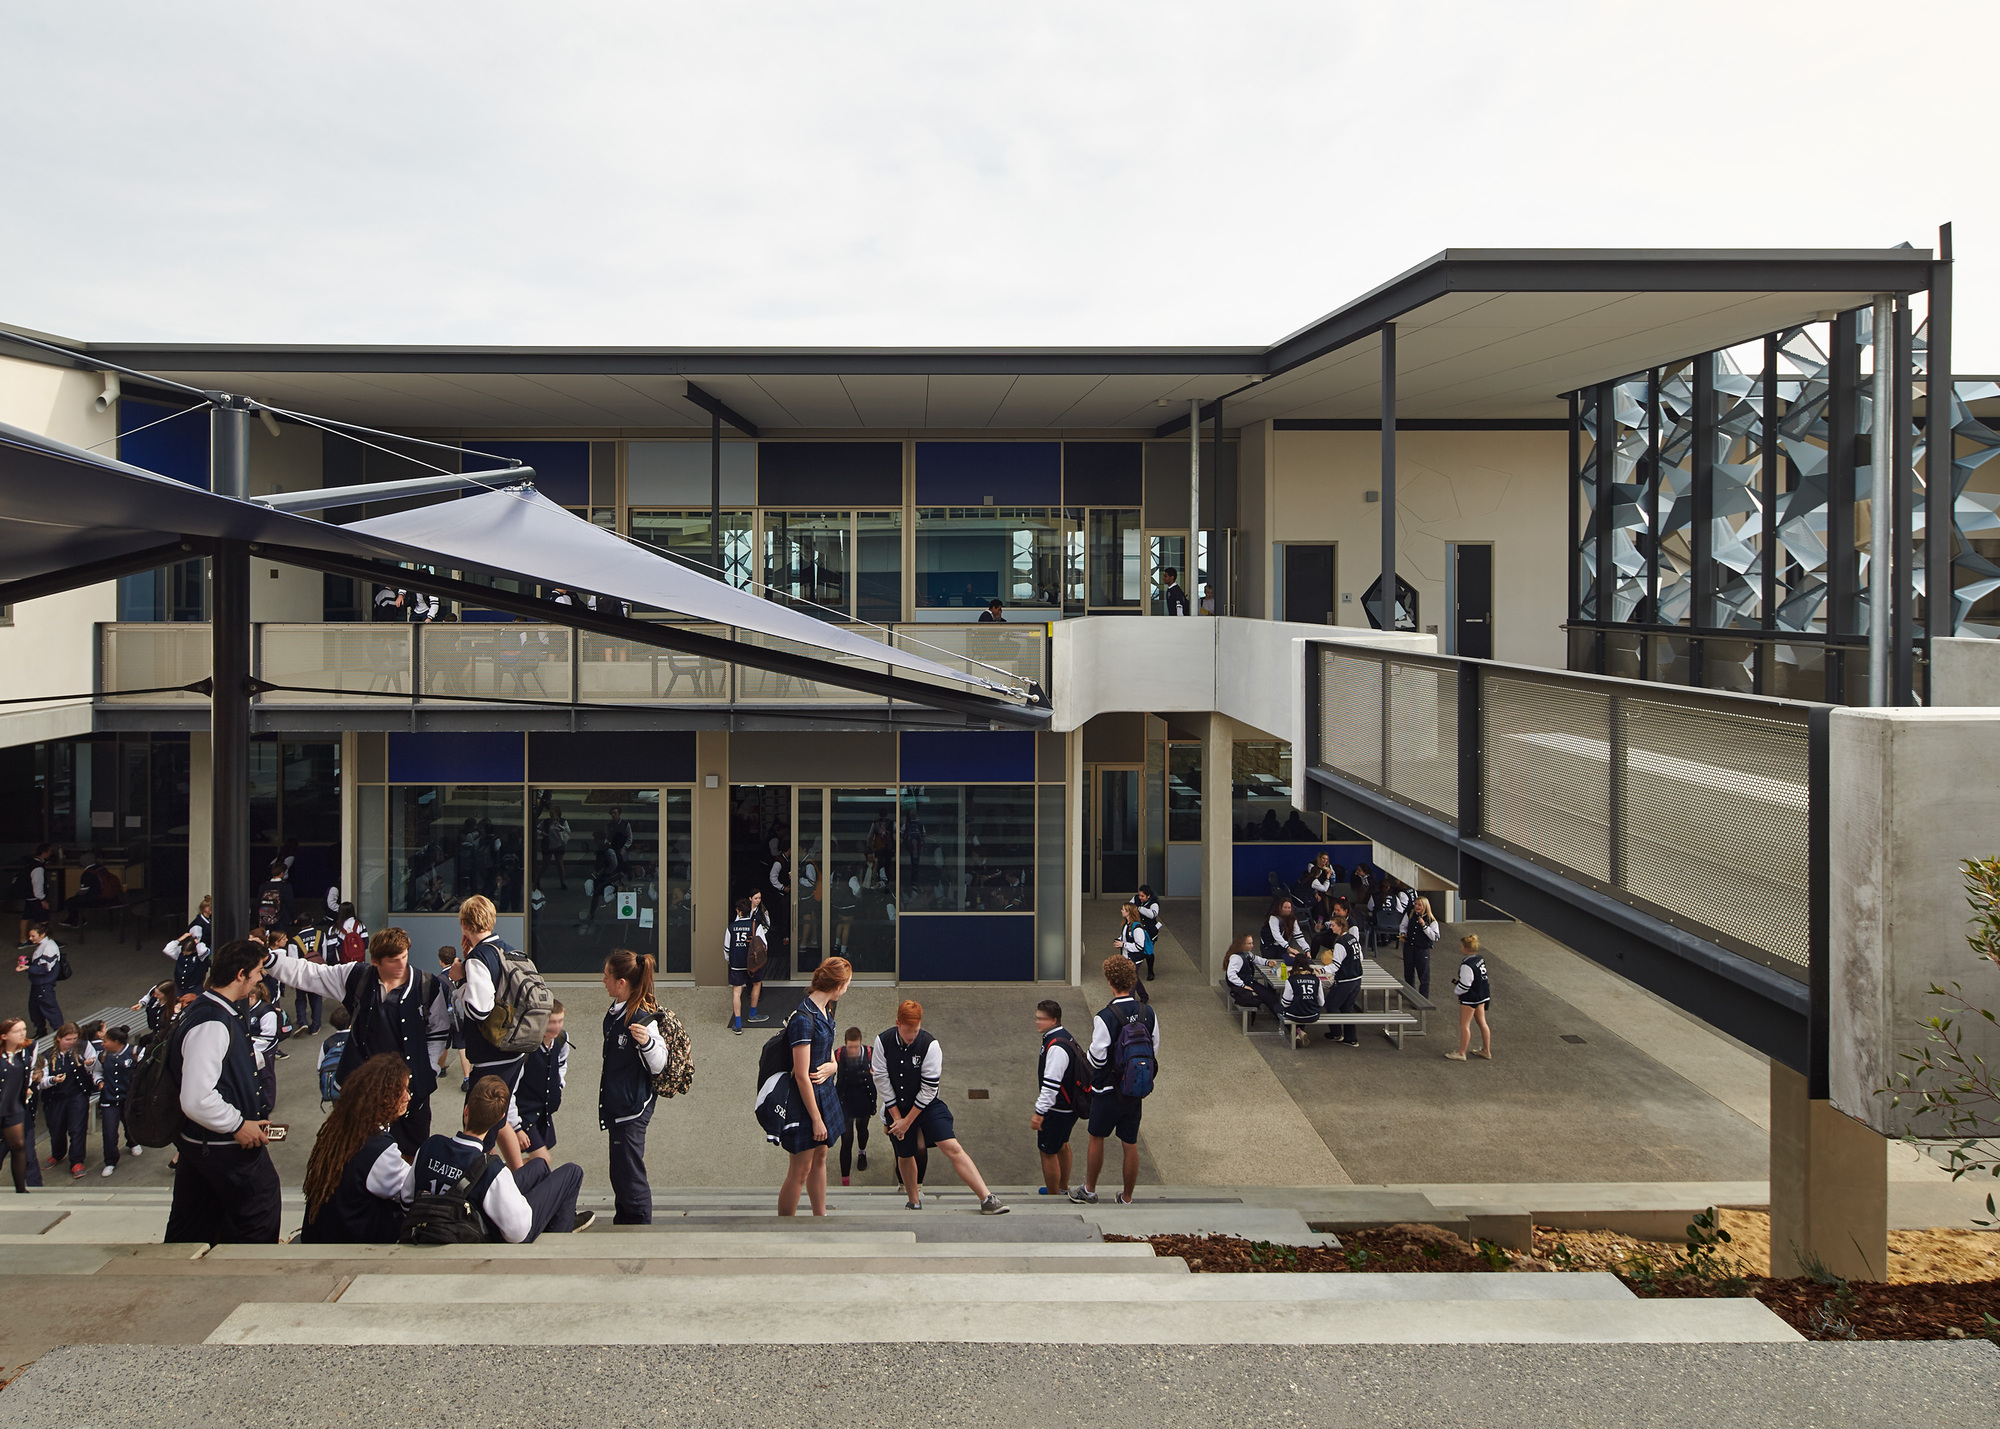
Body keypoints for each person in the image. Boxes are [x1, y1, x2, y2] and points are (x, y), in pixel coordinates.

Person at [265, 926, 451, 1155]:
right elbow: (309, 974)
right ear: (375, 961)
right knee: (357, 1153)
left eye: (404, 957)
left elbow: (438, 1032)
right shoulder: (356, 976)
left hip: (411, 1093)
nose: (402, 965)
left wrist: (428, 1070)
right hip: (363, 1089)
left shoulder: (428, 985)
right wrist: (269, 961)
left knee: (411, 1153)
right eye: (393, 960)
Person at [163, 939, 281, 1246]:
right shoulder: (213, 1022)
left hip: (202, 1145)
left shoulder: (209, 1011)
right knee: (260, 1209)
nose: (260, 978)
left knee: (193, 1221)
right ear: (240, 974)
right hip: (222, 1147)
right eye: (257, 971)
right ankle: (246, 1278)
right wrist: (238, 1126)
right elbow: (197, 1098)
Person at [411, 1074, 589, 1242]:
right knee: (573, 1172)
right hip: (478, 1232)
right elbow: (518, 1233)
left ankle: (557, 1218)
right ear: (499, 1120)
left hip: (439, 1218)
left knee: (539, 1165)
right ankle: (559, 1243)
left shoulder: (430, 1146)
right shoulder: (494, 1171)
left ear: (466, 1110)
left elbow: (406, 1200)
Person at [870, 1000, 1007, 1214]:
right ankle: (913, 1201)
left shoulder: (930, 1045)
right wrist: (897, 1118)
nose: (912, 1036)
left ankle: (987, 1198)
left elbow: (928, 1089)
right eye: (907, 1031)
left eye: (916, 1030)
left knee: (951, 1146)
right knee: (905, 1154)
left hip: (926, 1106)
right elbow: (881, 1079)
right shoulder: (882, 1041)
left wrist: (907, 1121)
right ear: (897, 1023)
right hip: (897, 1106)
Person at [299, 1052, 415, 1244]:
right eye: (401, 1091)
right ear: (382, 1097)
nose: (408, 1097)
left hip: (322, 1235)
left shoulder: (340, 1130)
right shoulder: (379, 1150)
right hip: (354, 1247)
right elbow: (411, 1191)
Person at [1071, 956, 1158, 1207]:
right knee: (1129, 1142)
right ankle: (1127, 1197)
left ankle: (1089, 1190)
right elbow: (1154, 1049)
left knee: (1096, 1137)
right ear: (1132, 981)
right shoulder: (1147, 1012)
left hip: (1107, 1090)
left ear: (1109, 982)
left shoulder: (1105, 1016)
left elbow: (1097, 1057)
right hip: (1134, 1089)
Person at [599, 948, 670, 1225]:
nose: (603, 981)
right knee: (620, 1171)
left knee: (629, 1174)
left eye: (607, 976)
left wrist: (647, 1043)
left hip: (631, 1109)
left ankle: (639, 1227)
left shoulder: (641, 1018)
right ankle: (624, 1220)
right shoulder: (619, 1009)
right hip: (621, 1105)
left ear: (622, 983)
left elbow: (659, 1064)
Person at [778, 956, 851, 1218]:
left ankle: (820, 1217)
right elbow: (801, 1075)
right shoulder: (804, 1018)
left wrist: (834, 1065)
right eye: (847, 985)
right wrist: (817, 1119)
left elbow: (826, 1047)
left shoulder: (825, 1009)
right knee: (799, 1171)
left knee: (820, 1158)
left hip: (823, 1092)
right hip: (805, 1102)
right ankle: (784, 1225)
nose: (847, 989)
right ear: (837, 986)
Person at [446, 895, 532, 1113]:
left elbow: (479, 1010)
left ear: (464, 924)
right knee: (500, 1118)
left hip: (490, 1054)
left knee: (477, 1122)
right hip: (515, 1048)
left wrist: (460, 980)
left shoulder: (479, 957)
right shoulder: (509, 950)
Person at [1031, 999, 1084, 1197]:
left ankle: (1054, 1196)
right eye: (1037, 1018)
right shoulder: (1065, 1037)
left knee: (1047, 1152)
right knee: (1063, 1144)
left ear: (1054, 1020)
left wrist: (1039, 1112)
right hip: (1069, 1107)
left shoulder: (1056, 1047)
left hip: (1057, 1109)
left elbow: (1051, 1084)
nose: (1037, 1022)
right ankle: (1062, 1187)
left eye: (1042, 1019)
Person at [36, 1023, 91, 1179]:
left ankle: (77, 1161)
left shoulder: (83, 1048)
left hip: (77, 1095)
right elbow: (40, 1081)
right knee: (56, 1129)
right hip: (55, 1098)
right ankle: (58, 1154)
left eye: (75, 1038)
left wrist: (90, 1064)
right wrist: (53, 1080)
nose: (72, 1042)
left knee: (77, 1129)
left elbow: (95, 1066)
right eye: (68, 1039)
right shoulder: (46, 1056)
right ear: (58, 1039)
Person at [515, 1001, 567, 1154]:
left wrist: (559, 1084)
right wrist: (516, 1127)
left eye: (560, 1021)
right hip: (523, 1115)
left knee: (541, 1161)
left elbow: (562, 1062)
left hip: (543, 1112)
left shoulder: (561, 1039)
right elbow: (511, 1087)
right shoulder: (526, 1048)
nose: (556, 1027)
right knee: (541, 1160)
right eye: (551, 1022)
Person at [834, 1027, 875, 1186]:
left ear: (861, 1043)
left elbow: (883, 1070)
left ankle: (862, 1153)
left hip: (864, 1098)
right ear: (845, 1045)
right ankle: (845, 1181)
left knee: (862, 1128)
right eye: (850, 1047)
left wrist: (876, 1073)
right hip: (845, 1099)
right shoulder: (838, 1054)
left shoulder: (870, 1053)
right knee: (846, 1139)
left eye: (856, 1047)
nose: (853, 1050)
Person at [96, 1025, 137, 1177]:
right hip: (109, 1098)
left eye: (106, 1041)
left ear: (116, 1042)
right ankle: (110, 1161)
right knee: (109, 1132)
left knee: (130, 1122)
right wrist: (100, 1082)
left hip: (128, 1098)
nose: (102, 1044)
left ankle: (133, 1141)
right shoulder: (103, 1055)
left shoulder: (134, 1052)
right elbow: (96, 1071)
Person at [1447, 934, 1493, 1062]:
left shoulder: (1466, 965)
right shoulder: (1479, 959)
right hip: (1482, 994)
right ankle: (1486, 1050)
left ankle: (1462, 1053)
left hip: (1471, 997)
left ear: (1466, 948)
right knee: (1482, 1023)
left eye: (1461, 946)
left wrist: (1457, 992)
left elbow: (1465, 984)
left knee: (1464, 1025)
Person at [724, 897, 765, 1035]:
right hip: (752, 963)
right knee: (756, 984)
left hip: (736, 963)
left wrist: (731, 960)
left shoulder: (731, 927)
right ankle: (753, 1014)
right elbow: (763, 945)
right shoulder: (756, 925)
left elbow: (726, 948)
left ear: (738, 911)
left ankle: (738, 1023)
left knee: (737, 991)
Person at [1223, 933, 1282, 1026]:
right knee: (1270, 997)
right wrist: (1243, 985)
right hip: (1242, 985)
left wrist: (1267, 962)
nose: (1252, 945)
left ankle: (1280, 1016)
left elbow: (1256, 959)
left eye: (1252, 943)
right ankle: (1283, 1020)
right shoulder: (1236, 958)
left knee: (1270, 996)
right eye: (1249, 943)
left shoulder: (1247, 954)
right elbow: (1231, 975)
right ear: (1242, 944)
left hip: (1247, 982)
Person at [0, 1017, 31, 1193]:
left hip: (13, 1107)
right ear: (4, 1036)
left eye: (24, 1029)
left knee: (18, 1146)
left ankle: (21, 1188)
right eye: (17, 1031)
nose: (22, 1033)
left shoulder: (24, 1053)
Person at [245, 980, 282, 1115]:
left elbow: (268, 1036)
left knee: (266, 1076)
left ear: (252, 996)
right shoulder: (248, 1010)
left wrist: (251, 1045)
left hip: (265, 1050)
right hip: (252, 1049)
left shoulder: (266, 1011)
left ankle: (268, 1104)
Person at [21, 923, 62, 1037]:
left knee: (50, 1008)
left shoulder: (49, 947)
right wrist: (28, 963)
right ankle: (40, 1031)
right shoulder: (43, 945)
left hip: (44, 985)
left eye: (33, 936)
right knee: (35, 1008)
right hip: (38, 984)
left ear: (42, 934)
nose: (30, 939)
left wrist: (28, 967)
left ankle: (60, 1033)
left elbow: (45, 968)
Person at [1278, 950, 1326, 1048]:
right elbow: (1321, 1002)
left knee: (1277, 1007)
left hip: (1295, 1015)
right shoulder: (1316, 980)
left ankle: (1296, 1032)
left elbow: (1285, 1003)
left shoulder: (1291, 980)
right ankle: (1300, 1032)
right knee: (1303, 1006)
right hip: (1313, 1014)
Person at [1399, 895, 1441, 999]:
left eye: (1419, 905)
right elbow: (1403, 926)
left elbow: (1435, 937)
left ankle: (1423, 998)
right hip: (1409, 947)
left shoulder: (1431, 920)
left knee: (1423, 975)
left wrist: (1424, 926)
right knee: (1408, 972)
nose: (1416, 906)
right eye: (1415, 904)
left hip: (1422, 949)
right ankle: (1410, 994)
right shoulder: (1410, 914)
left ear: (1425, 906)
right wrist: (1403, 934)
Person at [16, 844, 53, 949]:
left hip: (29, 896)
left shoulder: (30, 863)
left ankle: (22, 940)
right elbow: (37, 884)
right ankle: (45, 941)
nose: (50, 853)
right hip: (36, 898)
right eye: (49, 851)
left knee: (26, 917)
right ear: (44, 852)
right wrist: (42, 899)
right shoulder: (38, 867)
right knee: (43, 919)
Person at [253, 860, 297, 941]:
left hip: (266, 919)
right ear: (282, 873)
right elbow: (290, 903)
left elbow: (258, 903)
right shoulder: (285, 887)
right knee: (280, 940)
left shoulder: (263, 886)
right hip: (282, 919)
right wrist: (294, 917)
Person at [1257, 898, 1310, 964]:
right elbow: (1276, 935)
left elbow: (1298, 935)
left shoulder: (1293, 919)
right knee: (1271, 963)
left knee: (1282, 963)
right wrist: (1289, 948)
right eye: (1285, 907)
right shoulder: (1273, 918)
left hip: (1281, 946)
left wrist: (1307, 949)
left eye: (1289, 908)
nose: (1287, 910)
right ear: (1280, 908)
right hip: (1268, 945)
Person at [1129, 885, 1162, 981]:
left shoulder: (1154, 903)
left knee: (1148, 951)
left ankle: (1151, 972)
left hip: (1150, 931)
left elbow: (1152, 914)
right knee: (1136, 949)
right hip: (1139, 930)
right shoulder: (1135, 898)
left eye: (1142, 896)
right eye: (1139, 895)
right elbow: (1129, 906)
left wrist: (1138, 908)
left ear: (1148, 896)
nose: (1140, 898)